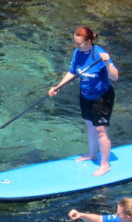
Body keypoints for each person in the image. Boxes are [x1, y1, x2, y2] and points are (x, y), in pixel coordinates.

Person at [47, 26, 119, 176]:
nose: (76, 46)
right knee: (89, 126)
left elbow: (115, 77)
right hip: (85, 94)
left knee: (101, 130)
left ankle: (105, 164)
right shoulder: (77, 53)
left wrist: (107, 63)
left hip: (102, 97)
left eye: (79, 43)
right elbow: (72, 72)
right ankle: (92, 155)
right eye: (75, 43)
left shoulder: (99, 54)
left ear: (89, 41)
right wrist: (58, 86)